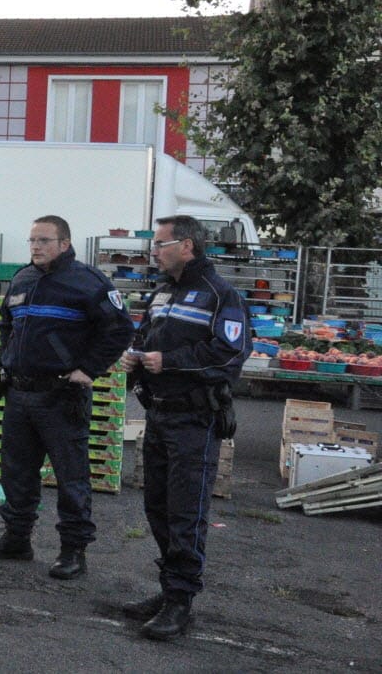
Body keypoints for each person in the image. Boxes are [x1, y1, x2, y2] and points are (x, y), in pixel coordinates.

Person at [0, 215, 132, 580]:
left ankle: (73, 550)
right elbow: (7, 323)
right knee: (16, 474)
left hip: (61, 397)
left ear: (64, 243)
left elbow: (120, 328)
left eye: (44, 240)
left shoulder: (87, 282)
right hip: (20, 394)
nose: (35, 246)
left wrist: (88, 369)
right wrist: (5, 360)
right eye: (32, 240)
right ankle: (16, 539)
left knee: (70, 477)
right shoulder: (23, 279)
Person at [119, 215, 249, 641]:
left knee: (185, 512)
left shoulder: (221, 294)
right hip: (159, 415)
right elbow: (145, 338)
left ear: (187, 246)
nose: (153, 251)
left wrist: (170, 362)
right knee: (157, 507)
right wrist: (135, 358)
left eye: (160, 244)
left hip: (194, 420)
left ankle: (180, 601)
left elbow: (230, 354)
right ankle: (169, 589)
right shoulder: (163, 292)